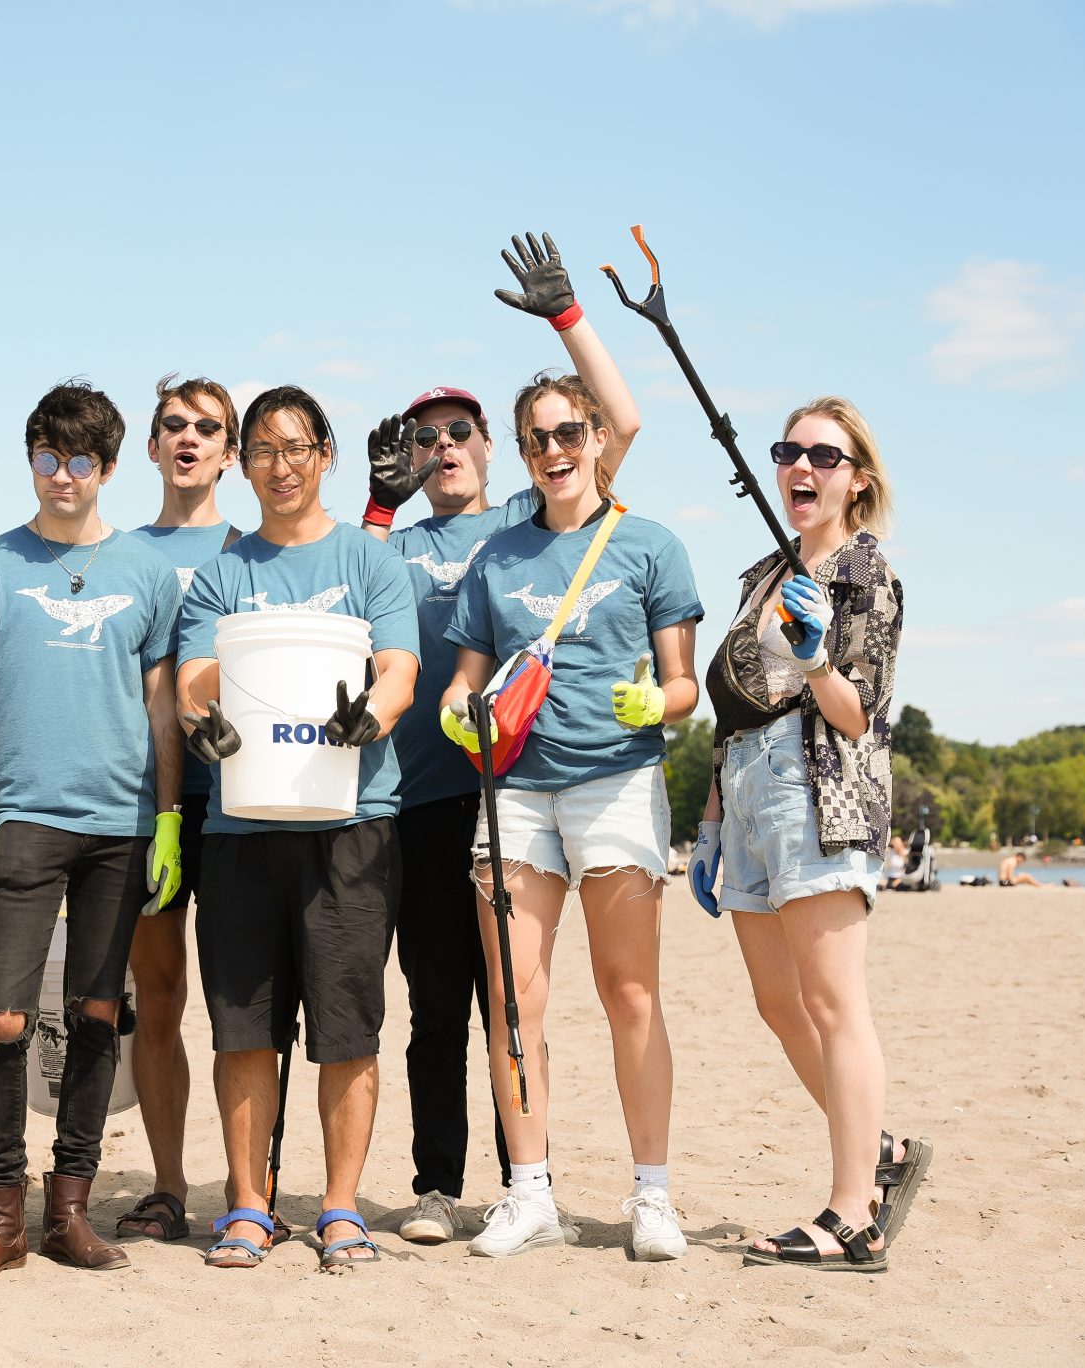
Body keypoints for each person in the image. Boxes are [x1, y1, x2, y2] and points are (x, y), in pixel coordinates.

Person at [362, 230, 643, 1246]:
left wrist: (569, 319)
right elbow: (332, 597)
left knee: (513, 1004)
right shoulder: (385, 543)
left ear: (496, 448)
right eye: (421, 437)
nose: (440, 448)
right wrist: (371, 501)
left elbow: (615, 423)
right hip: (415, 797)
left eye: (457, 433)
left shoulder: (531, 518)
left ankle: (525, 1183)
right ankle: (437, 1186)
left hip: (518, 794)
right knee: (435, 1006)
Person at [0, 380, 184, 1287]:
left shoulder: (148, 573)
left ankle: (69, 1209)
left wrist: (170, 817)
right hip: (23, 820)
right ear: (29, 458)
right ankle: (3, 1217)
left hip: (121, 824)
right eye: (46, 457)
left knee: (98, 1014)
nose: (61, 476)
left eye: (79, 461)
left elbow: (161, 708)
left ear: (107, 467)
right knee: (0, 1019)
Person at [440, 367, 702, 1262]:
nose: (554, 451)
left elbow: (683, 687)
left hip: (617, 781)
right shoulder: (499, 558)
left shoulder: (651, 545)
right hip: (514, 789)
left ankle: (653, 1195)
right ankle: (529, 1192)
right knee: (517, 1003)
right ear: (522, 452)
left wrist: (654, 705)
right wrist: (453, 710)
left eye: (568, 434)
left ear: (596, 439)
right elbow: (466, 678)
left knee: (630, 993)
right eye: (537, 439)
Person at [177, 385, 420, 1270]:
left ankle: (342, 1208)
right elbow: (196, 673)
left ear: (326, 454)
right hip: (240, 828)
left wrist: (378, 714)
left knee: (347, 1028)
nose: (281, 466)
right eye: (263, 451)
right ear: (243, 466)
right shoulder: (223, 572)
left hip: (352, 823)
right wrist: (199, 714)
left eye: (296, 447)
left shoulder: (368, 559)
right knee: (244, 1028)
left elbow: (398, 664)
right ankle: (248, 1206)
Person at [685, 396, 927, 1273]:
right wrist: (711, 820)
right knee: (778, 1004)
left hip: (818, 791)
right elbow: (736, 703)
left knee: (833, 1004)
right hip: (746, 790)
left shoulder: (867, 573)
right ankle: (883, 1152)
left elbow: (860, 718)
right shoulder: (765, 570)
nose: (801, 468)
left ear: (856, 480)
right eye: (790, 451)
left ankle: (852, 1213)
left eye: (824, 457)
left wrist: (819, 655)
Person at [118, 375, 243, 1245]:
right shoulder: (118, 553)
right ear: (153, 447)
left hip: (242, 803)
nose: (189, 438)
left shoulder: (257, 550)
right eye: (173, 426)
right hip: (143, 807)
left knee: (245, 1008)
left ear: (233, 453)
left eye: (208, 428)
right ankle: (168, 1186)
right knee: (157, 1001)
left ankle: (247, 1189)